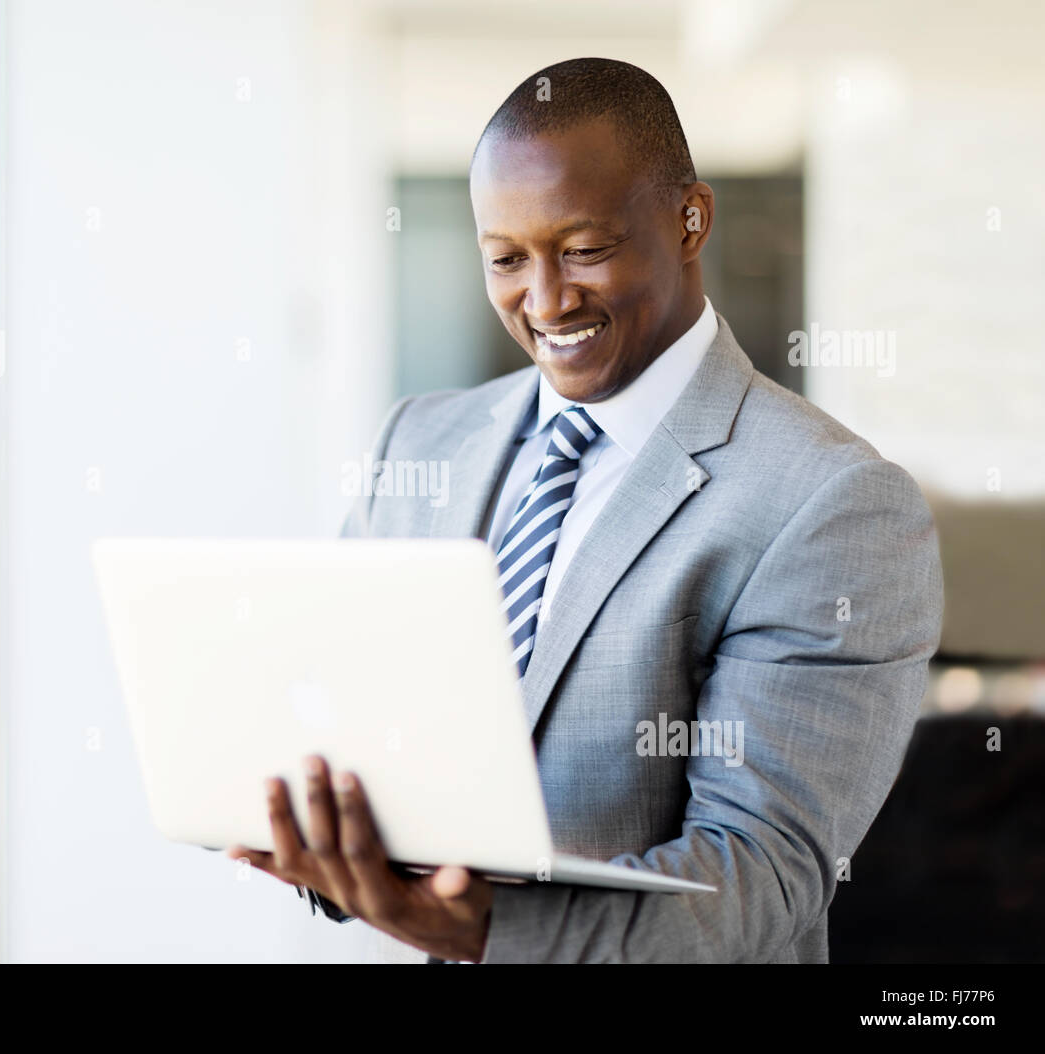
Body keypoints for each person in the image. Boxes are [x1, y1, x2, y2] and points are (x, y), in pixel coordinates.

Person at [228, 57, 943, 963]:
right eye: (506, 259)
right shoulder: (420, 446)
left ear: (692, 220)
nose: (547, 299)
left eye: (584, 250)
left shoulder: (831, 503)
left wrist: (491, 931)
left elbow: (760, 872)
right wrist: (323, 839)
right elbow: (343, 723)